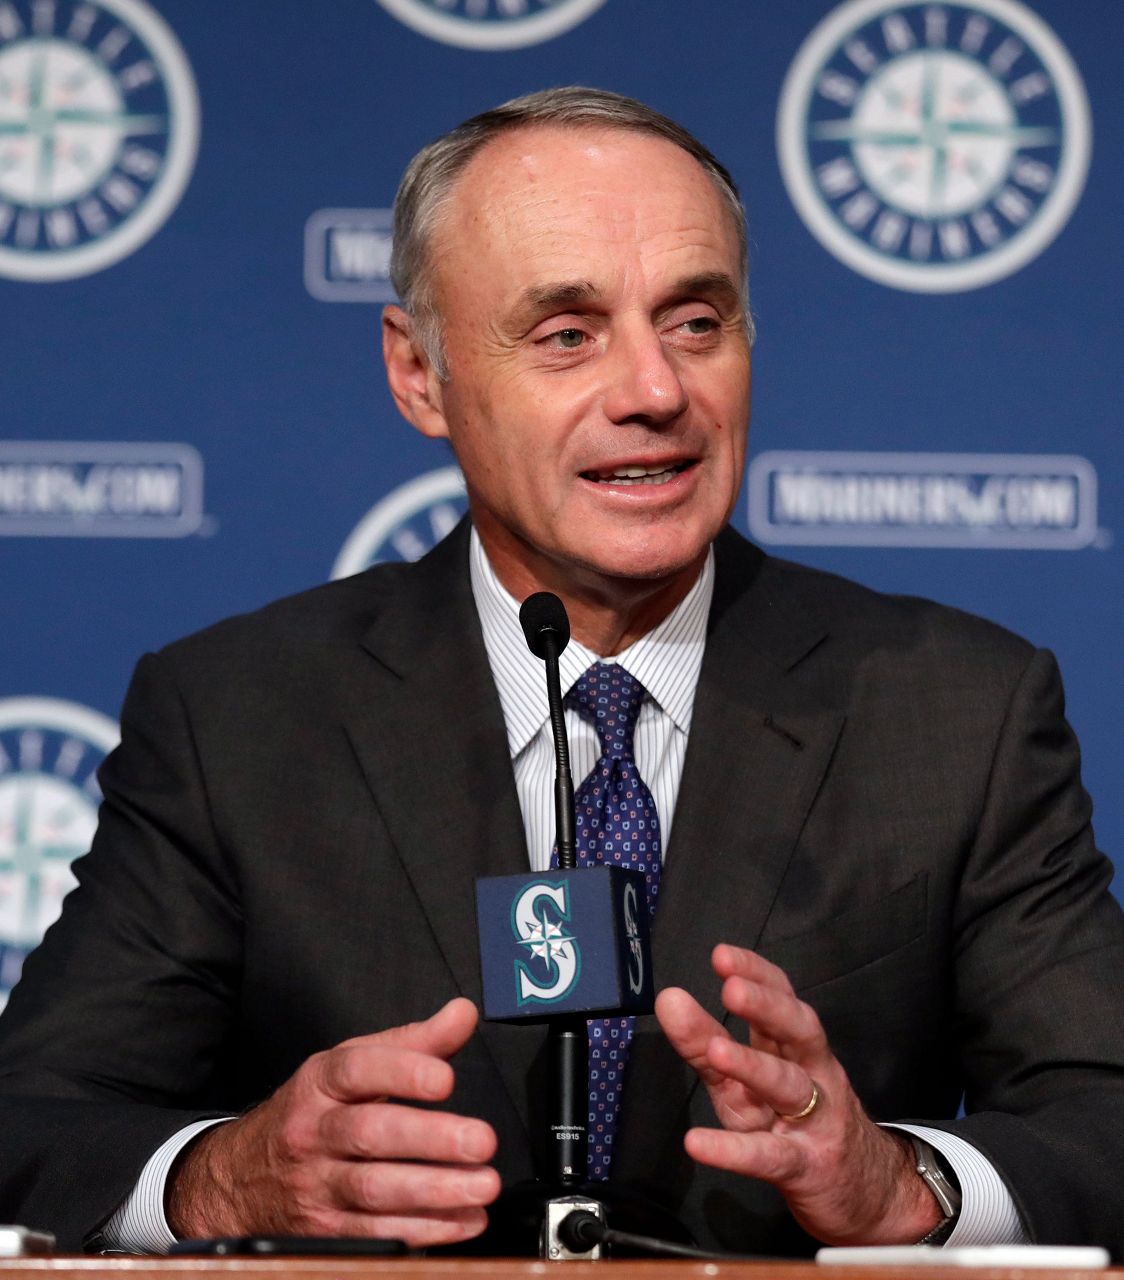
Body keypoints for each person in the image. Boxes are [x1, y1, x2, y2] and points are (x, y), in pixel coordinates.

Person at [0, 87, 1122, 1258]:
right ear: (418, 374)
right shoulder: (237, 718)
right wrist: (228, 1177)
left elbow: (1104, 1118)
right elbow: (31, 1124)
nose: (654, 390)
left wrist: (906, 1185)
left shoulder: (951, 711)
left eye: (695, 321)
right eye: (566, 334)